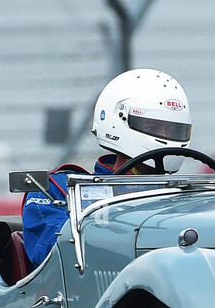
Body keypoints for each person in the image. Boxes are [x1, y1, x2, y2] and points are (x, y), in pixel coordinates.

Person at [22, 70, 193, 266]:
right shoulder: (57, 191)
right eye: (154, 126)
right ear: (117, 119)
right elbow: (53, 257)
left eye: (172, 130)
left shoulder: (185, 195)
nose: (165, 136)